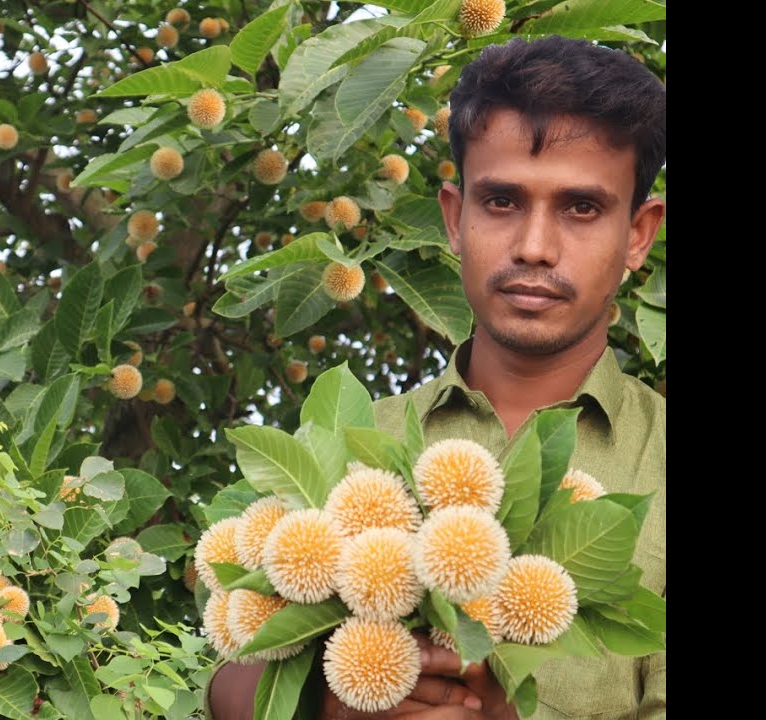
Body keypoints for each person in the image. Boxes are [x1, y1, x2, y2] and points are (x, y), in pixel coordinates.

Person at [207, 35, 665, 720]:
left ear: (638, 235)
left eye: (581, 208)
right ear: (454, 218)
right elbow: (228, 672)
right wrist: (339, 703)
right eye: (502, 201)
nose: (535, 247)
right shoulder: (355, 438)